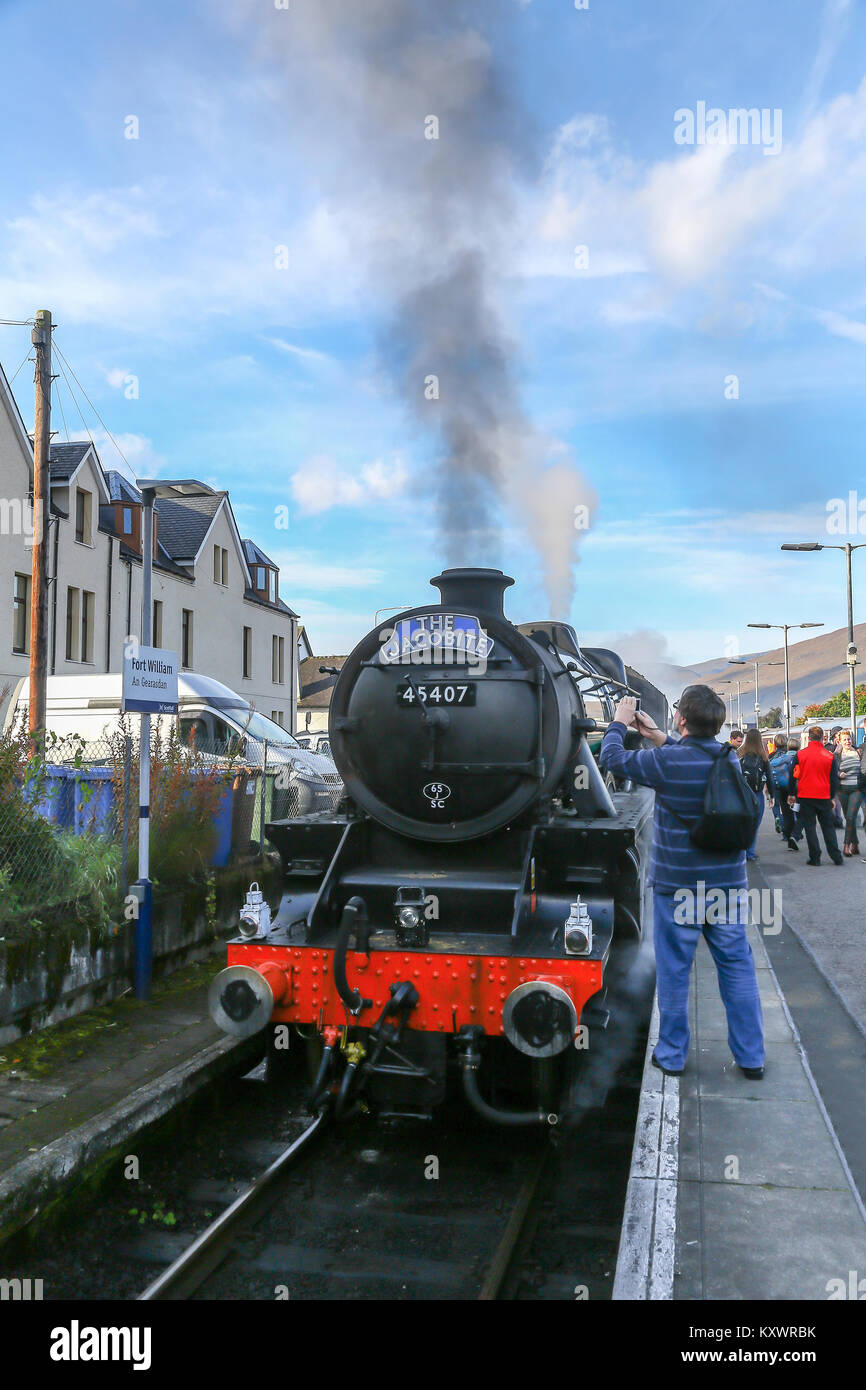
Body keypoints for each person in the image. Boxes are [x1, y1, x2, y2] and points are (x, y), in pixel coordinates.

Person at [601, 685, 764, 1080]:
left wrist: (619, 722)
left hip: (679, 890)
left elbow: (611, 758)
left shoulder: (666, 762)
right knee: (738, 968)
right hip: (727, 887)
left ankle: (673, 1055)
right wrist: (663, 737)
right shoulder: (728, 756)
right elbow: (696, 758)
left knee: (675, 971)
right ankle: (752, 1057)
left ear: (682, 719)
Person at [790, 726, 843, 866]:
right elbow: (834, 779)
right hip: (824, 795)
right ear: (822, 737)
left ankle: (815, 857)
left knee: (810, 827)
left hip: (805, 795)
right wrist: (832, 797)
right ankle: (836, 856)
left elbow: (793, 775)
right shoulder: (829, 756)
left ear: (809, 737)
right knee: (828, 827)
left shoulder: (800, 755)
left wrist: (791, 793)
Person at [738, 729, 776, 861]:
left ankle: (740, 850)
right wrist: (772, 796)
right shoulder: (763, 756)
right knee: (754, 823)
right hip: (757, 794)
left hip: (741, 794)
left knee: (742, 823)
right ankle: (750, 852)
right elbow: (770, 778)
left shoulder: (739, 754)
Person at [769, 734, 800, 851]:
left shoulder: (776, 758)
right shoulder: (798, 757)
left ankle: (786, 834)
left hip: (782, 789)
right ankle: (796, 833)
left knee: (786, 812)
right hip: (796, 789)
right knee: (797, 811)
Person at [836, 728, 863, 856]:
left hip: (856, 789)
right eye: (844, 740)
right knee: (848, 818)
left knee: (851, 817)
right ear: (840, 741)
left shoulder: (858, 752)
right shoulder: (838, 754)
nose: (847, 741)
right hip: (842, 790)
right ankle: (855, 844)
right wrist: (838, 773)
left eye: (849, 739)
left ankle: (846, 845)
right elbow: (831, 771)